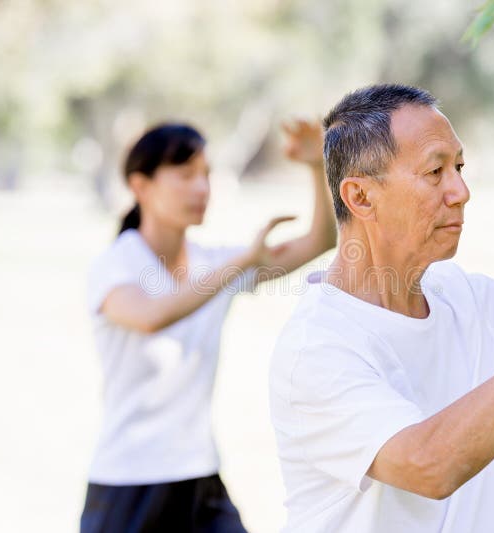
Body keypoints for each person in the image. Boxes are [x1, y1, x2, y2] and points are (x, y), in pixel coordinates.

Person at [269, 84, 494, 533]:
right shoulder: (317, 348)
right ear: (361, 197)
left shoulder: (461, 295)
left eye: (459, 167)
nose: (461, 191)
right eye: (435, 171)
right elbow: (428, 466)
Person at [81, 119, 336, 532]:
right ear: (140, 186)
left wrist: (316, 166)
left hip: (200, 480)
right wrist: (241, 263)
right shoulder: (117, 264)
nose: (202, 188)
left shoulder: (213, 263)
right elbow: (150, 316)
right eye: (186, 175)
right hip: (128, 485)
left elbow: (320, 241)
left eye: (206, 175)